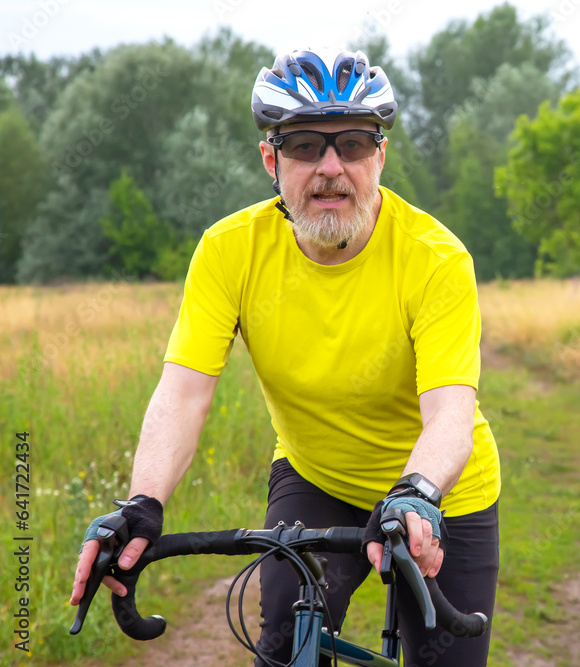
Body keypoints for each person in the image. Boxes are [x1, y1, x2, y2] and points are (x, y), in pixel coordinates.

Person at [70, 48, 501, 667]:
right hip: (315, 478)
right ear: (271, 159)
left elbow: (451, 411)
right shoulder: (229, 250)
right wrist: (143, 503)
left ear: (380, 156)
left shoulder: (436, 259)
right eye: (304, 145)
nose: (331, 168)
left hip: (440, 494)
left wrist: (420, 492)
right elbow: (184, 392)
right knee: (283, 650)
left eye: (351, 144)